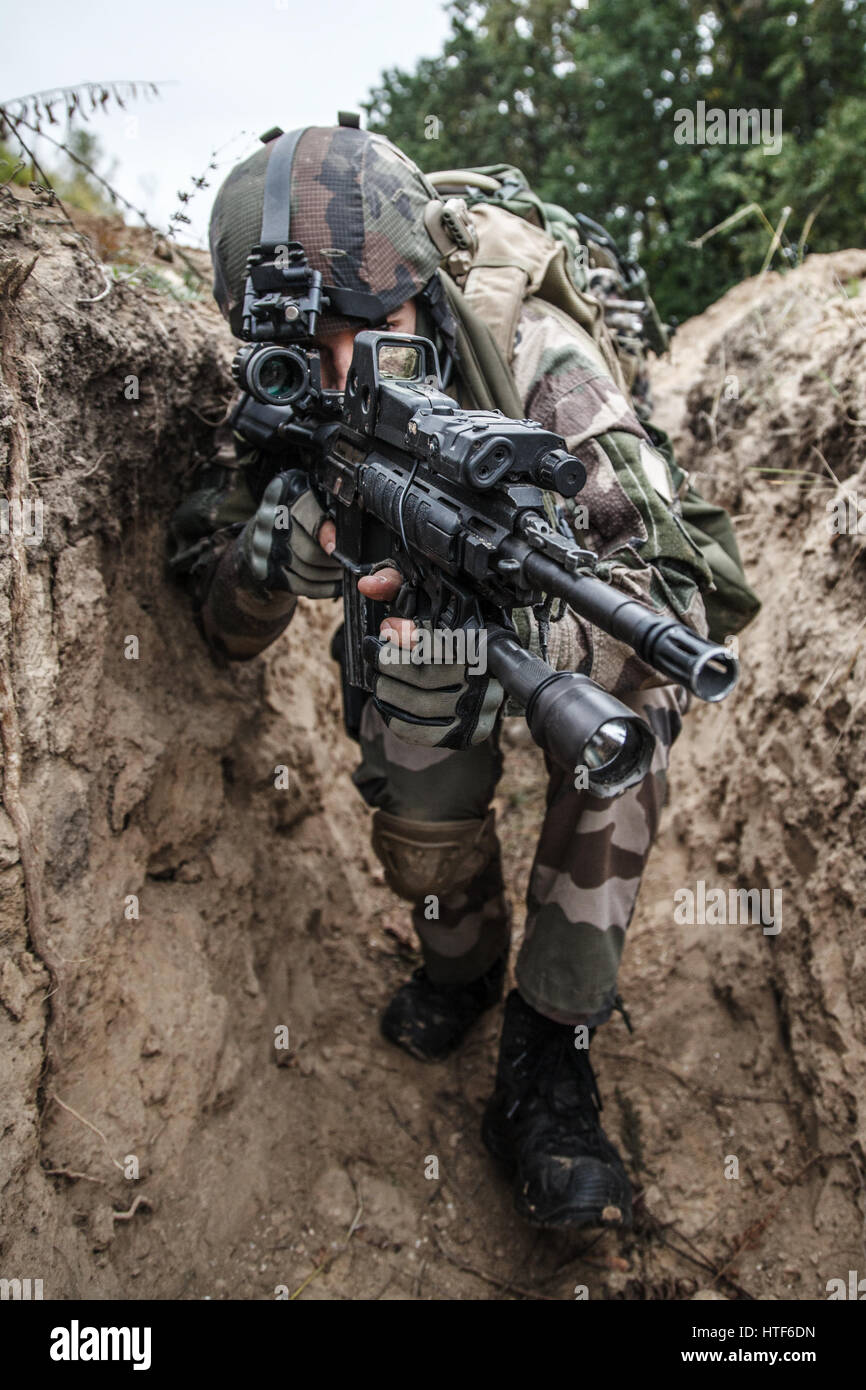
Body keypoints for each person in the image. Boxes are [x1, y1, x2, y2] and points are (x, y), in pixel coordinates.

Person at [168, 119, 710, 1230]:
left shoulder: (537, 355)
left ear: (427, 287)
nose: (337, 374)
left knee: (633, 713)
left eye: (371, 333)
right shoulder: (278, 393)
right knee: (418, 784)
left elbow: (673, 601)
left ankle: (548, 1054)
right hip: (401, 645)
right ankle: (460, 970)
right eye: (301, 349)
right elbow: (215, 626)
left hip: (544, 619)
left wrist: (526, 654)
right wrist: (264, 562)